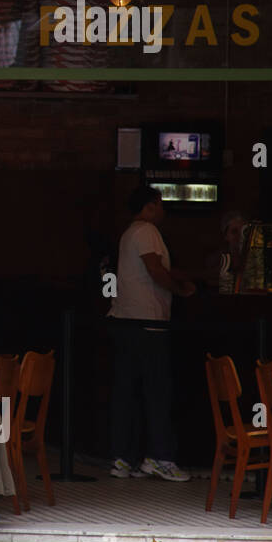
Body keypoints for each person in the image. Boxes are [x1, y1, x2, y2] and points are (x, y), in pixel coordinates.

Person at [107, 185, 195, 481]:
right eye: (160, 204)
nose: (163, 209)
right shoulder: (147, 231)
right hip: (149, 323)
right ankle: (160, 457)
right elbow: (155, 271)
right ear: (151, 205)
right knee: (158, 392)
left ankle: (123, 458)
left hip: (126, 321)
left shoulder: (129, 232)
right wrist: (181, 290)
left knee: (127, 392)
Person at [204, 210, 246, 292]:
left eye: (243, 232)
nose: (240, 236)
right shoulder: (216, 260)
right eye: (234, 232)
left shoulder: (254, 261)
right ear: (226, 236)